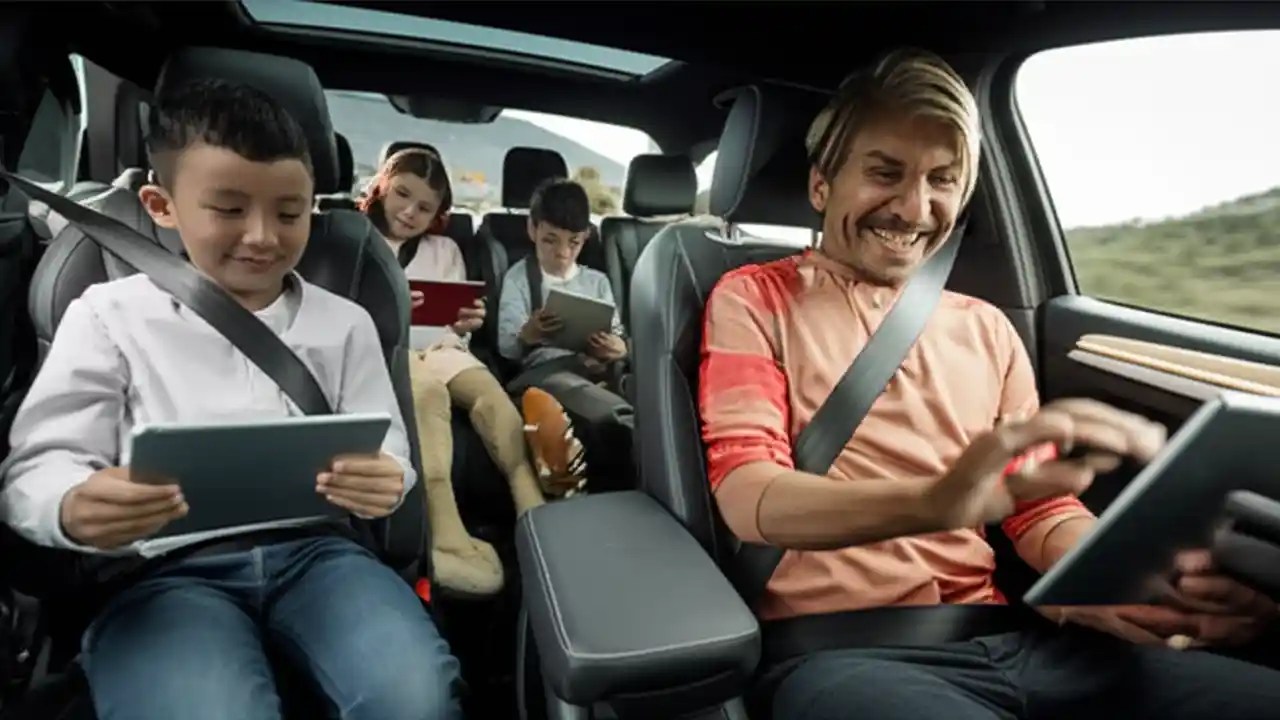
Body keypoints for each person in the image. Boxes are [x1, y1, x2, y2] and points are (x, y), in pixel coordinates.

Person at [698, 48, 1280, 719]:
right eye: (885, 173)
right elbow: (749, 496)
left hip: (1016, 638)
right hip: (843, 653)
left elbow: (1039, 511)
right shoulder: (752, 300)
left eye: (942, 180)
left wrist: (1125, 589)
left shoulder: (987, 330)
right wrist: (941, 500)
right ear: (822, 184)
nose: (915, 208)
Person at [0, 78, 463, 720]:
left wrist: (388, 478)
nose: (262, 237)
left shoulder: (346, 321)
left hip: (321, 555)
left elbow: (386, 442)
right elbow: (38, 466)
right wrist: (72, 505)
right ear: (162, 205)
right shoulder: (108, 314)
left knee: (415, 698)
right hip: (162, 570)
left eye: (290, 213)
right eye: (227, 209)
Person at [359, 147, 583, 596]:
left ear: (439, 213)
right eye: (402, 196)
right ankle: (446, 538)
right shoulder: (354, 240)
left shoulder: (445, 248)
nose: (409, 212)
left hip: (442, 345)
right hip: (388, 347)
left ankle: (532, 510)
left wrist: (465, 324)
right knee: (427, 396)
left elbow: (456, 322)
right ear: (381, 187)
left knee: (492, 396)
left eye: (425, 207)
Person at [496, 178, 628, 392]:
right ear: (532, 229)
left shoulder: (598, 282)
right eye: (550, 240)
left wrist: (618, 348)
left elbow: (616, 331)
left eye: (574, 242)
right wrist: (527, 335)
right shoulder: (519, 279)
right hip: (546, 375)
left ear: (586, 236)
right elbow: (506, 348)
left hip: (594, 372)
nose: (563, 253)